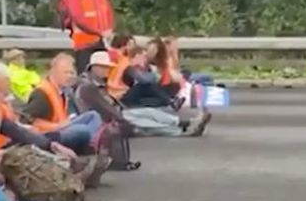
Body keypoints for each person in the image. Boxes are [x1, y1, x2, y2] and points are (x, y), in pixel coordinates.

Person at [77, 51, 212, 139]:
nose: (107, 71)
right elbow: (104, 108)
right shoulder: (88, 86)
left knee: (148, 112)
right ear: (94, 67)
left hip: (116, 112)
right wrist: (122, 119)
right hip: (105, 120)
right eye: (103, 67)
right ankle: (181, 131)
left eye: (107, 68)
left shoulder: (97, 82)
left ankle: (185, 123)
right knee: (144, 123)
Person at [22, 53, 104, 150]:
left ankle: (95, 142)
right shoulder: (42, 93)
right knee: (82, 130)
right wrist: (56, 126)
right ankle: (94, 145)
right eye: (66, 73)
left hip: (63, 126)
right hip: (51, 134)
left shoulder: (63, 92)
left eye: (72, 73)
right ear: (54, 72)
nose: (70, 76)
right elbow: (29, 121)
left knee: (93, 115)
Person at [58, 0, 115, 74]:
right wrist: (99, 32)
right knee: (85, 78)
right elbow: (78, 18)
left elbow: (108, 13)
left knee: (103, 76)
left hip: (101, 42)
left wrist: (110, 29)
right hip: (84, 44)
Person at [108, 45, 185, 110]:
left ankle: (170, 102)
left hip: (125, 95)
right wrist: (156, 73)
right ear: (137, 56)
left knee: (159, 90)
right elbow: (144, 80)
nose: (145, 60)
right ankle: (170, 102)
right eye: (143, 57)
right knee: (146, 86)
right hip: (121, 97)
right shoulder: (129, 67)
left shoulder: (131, 65)